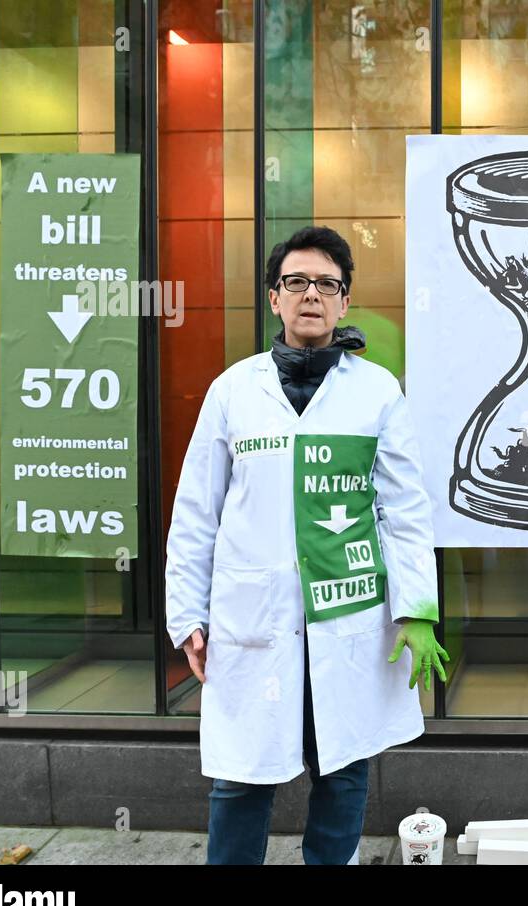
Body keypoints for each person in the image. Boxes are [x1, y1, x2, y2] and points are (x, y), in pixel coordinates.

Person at [166, 225, 448, 865]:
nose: (311, 295)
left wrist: (418, 609)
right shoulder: (234, 391)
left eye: (327, 284)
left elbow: (404, 509)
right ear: (274, 298)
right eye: (296, 282)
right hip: (252, 622)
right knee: (240, 780)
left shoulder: (376, 391)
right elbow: (195, 514)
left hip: (344, 616)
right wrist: (187, 614)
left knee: (343, 769)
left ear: (344, 302)